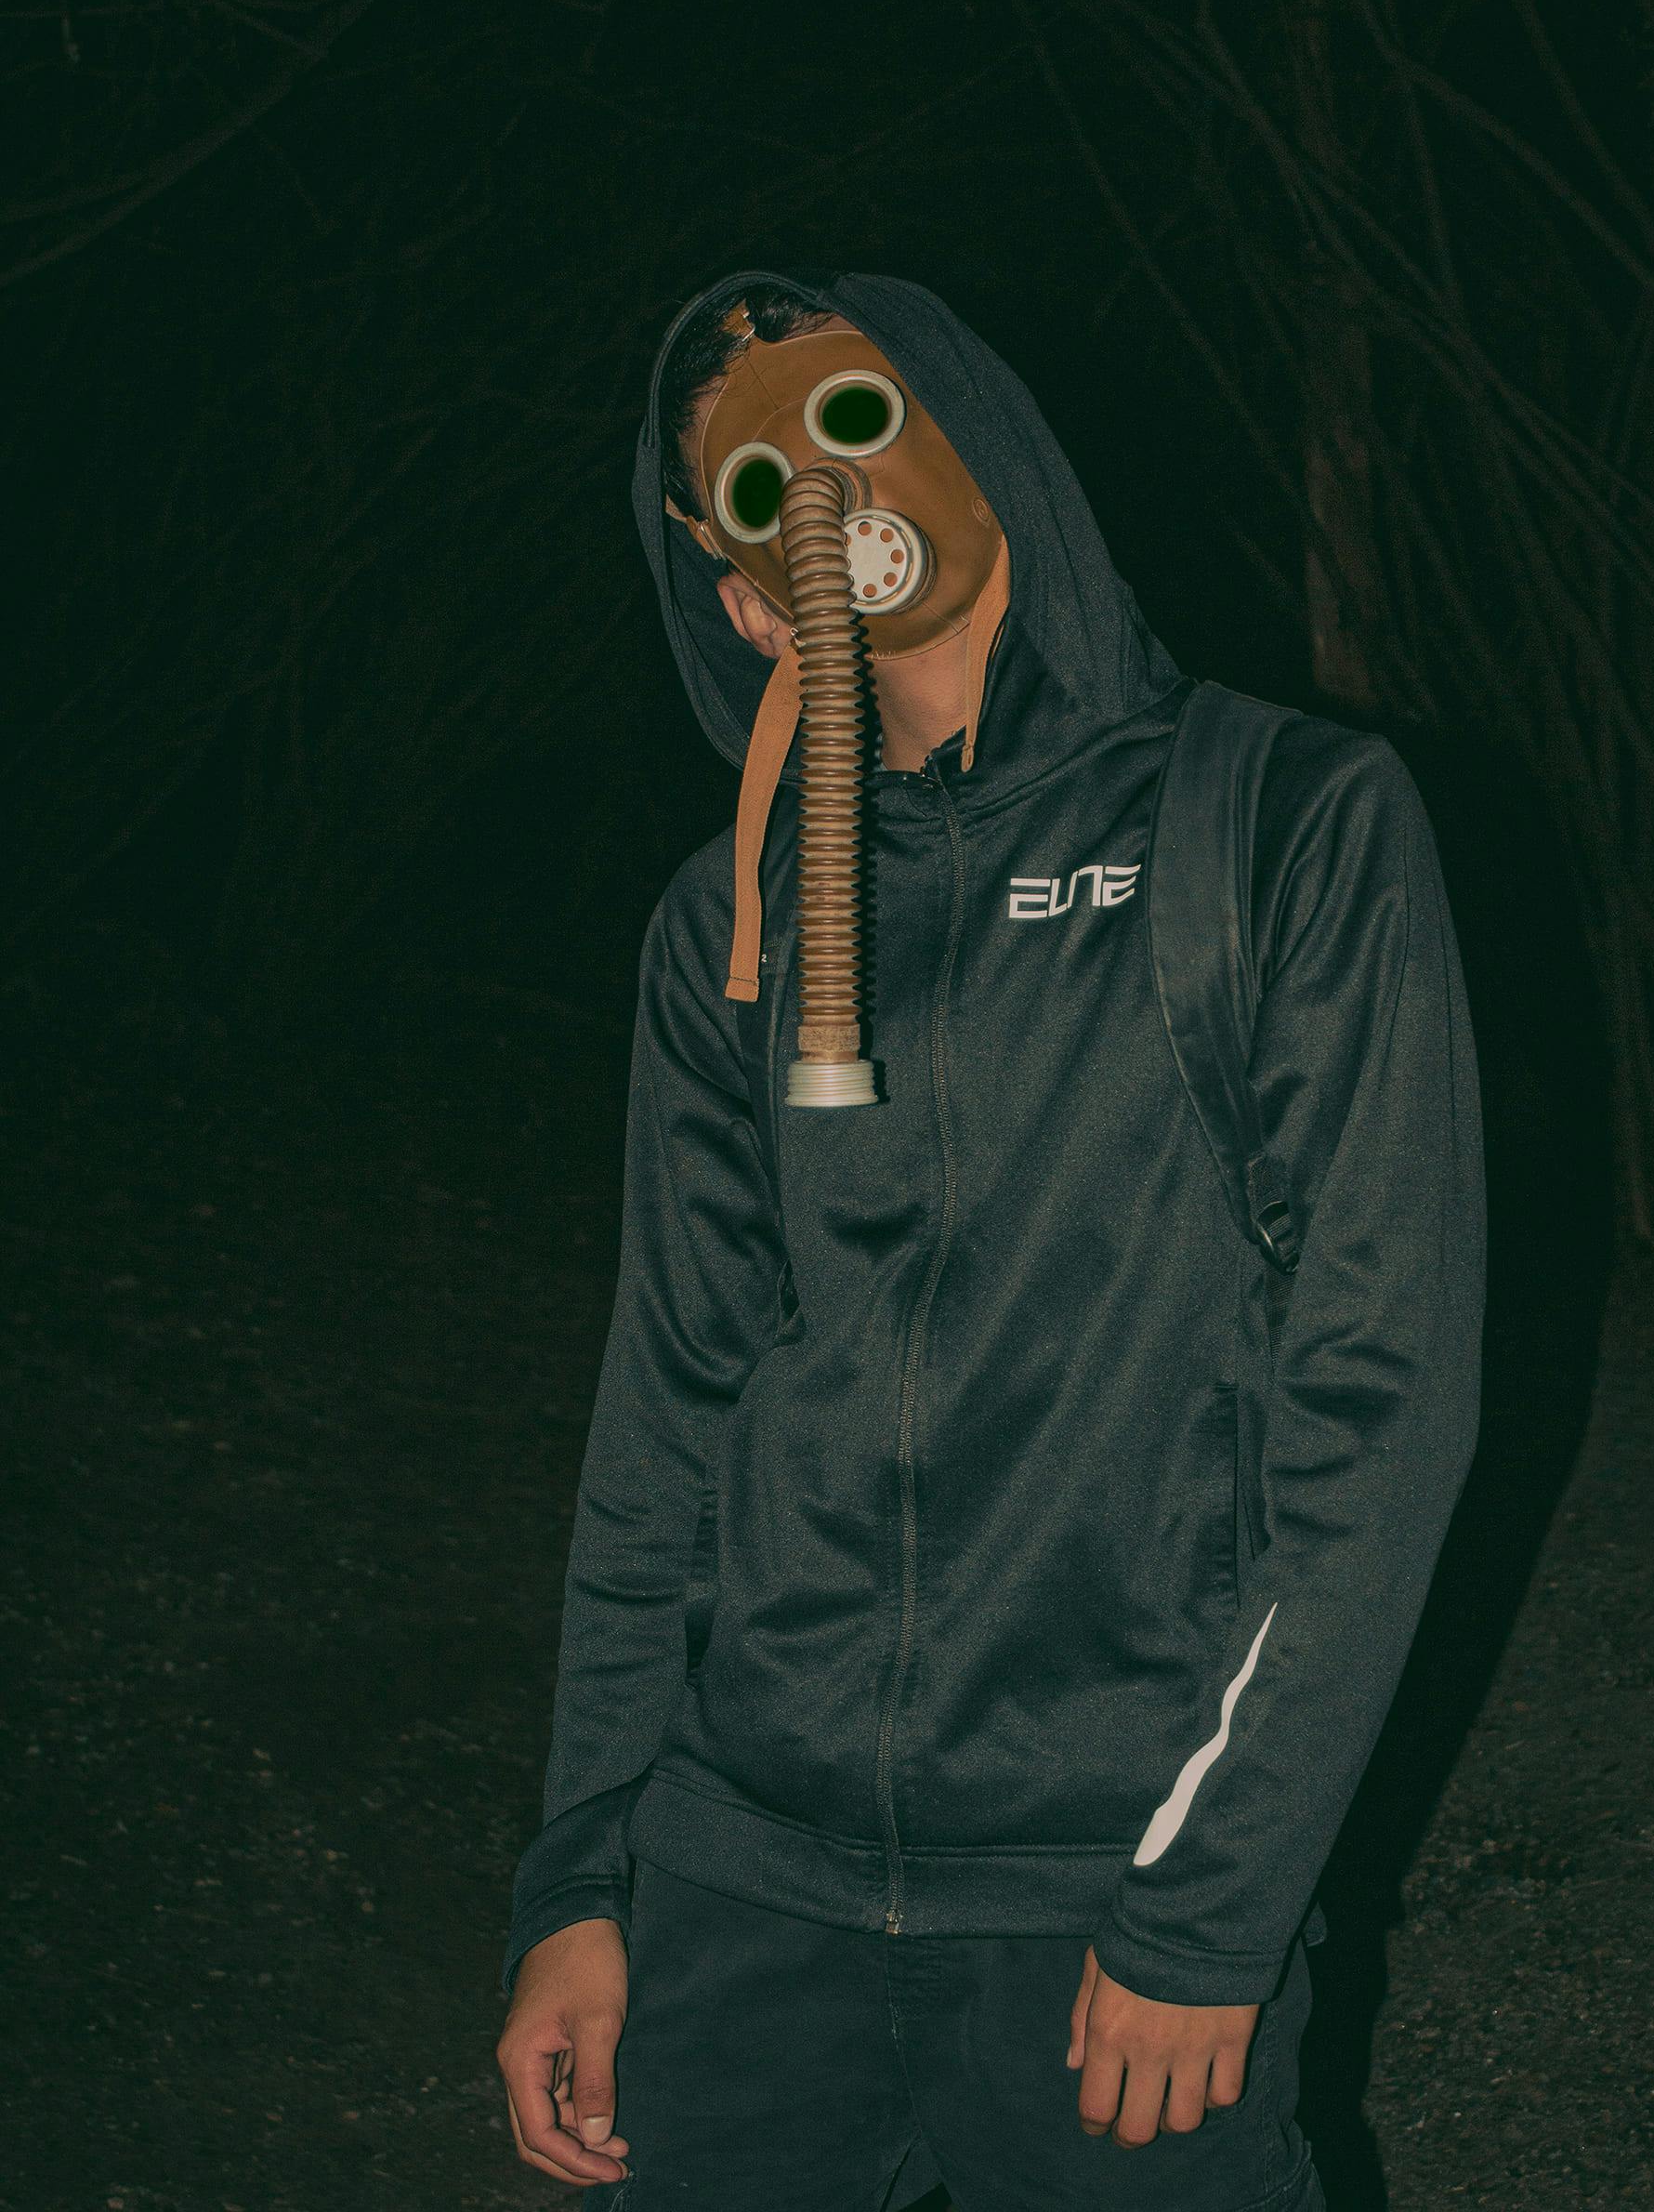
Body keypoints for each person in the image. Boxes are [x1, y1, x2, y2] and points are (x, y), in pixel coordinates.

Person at [495, 269, 1487, 2210]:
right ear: (731, 582)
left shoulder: (1281, 825)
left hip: (1105, 1897)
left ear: (976, 430)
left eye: (848, 421)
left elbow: (1377, 1401)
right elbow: (667, 1418)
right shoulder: (731, 925)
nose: (815, 490)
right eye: (754, 474)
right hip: (734, 1887)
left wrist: (1209, 1906)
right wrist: (582, 1875)